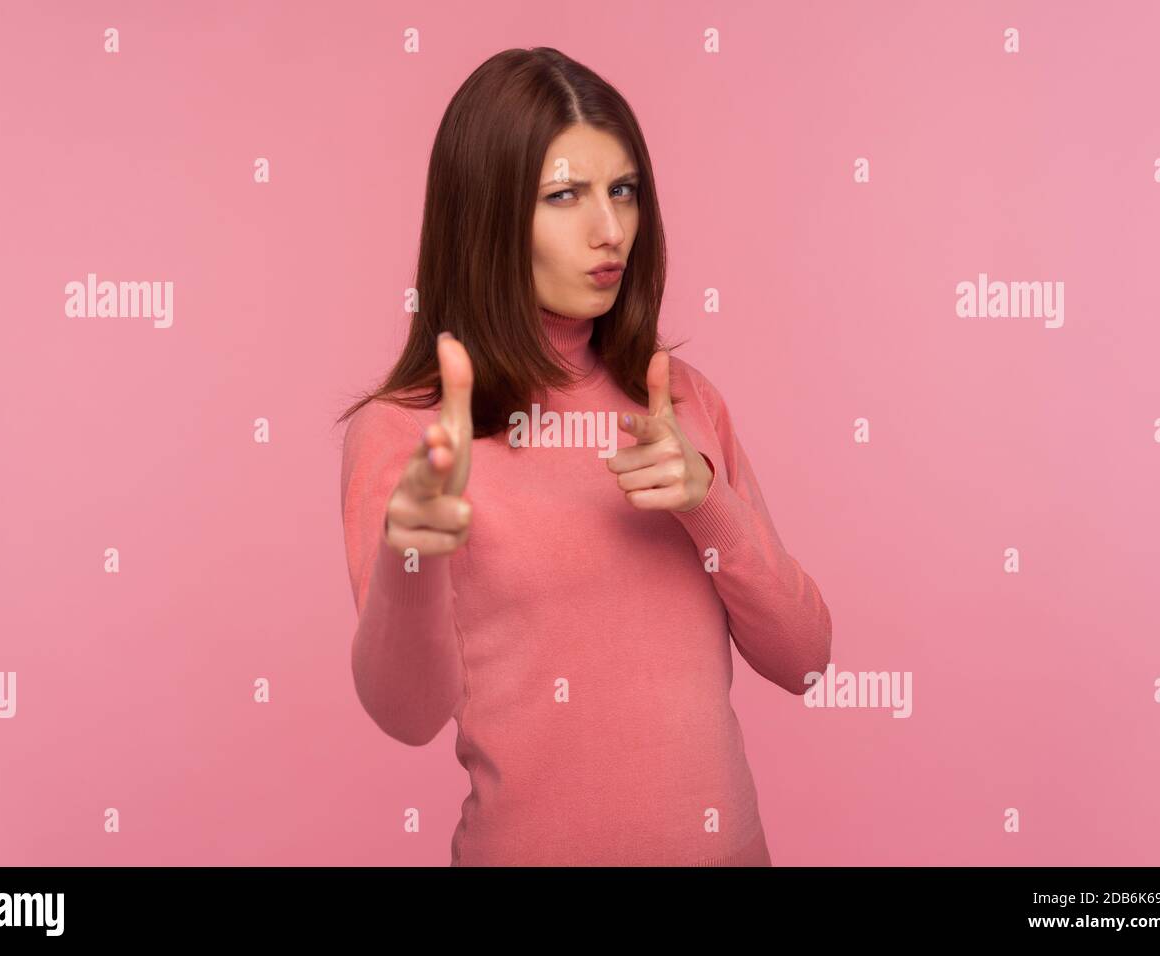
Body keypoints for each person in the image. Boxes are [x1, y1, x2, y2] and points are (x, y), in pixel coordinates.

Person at [337, 47, 832, 866]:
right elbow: (408, 715)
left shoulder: (683, 402)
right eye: (564, 196)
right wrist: (409, 558)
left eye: (623, 190)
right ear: (485, 216)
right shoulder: (407, 437)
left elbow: (808, 661)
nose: (610, 231)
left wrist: (708, 502)